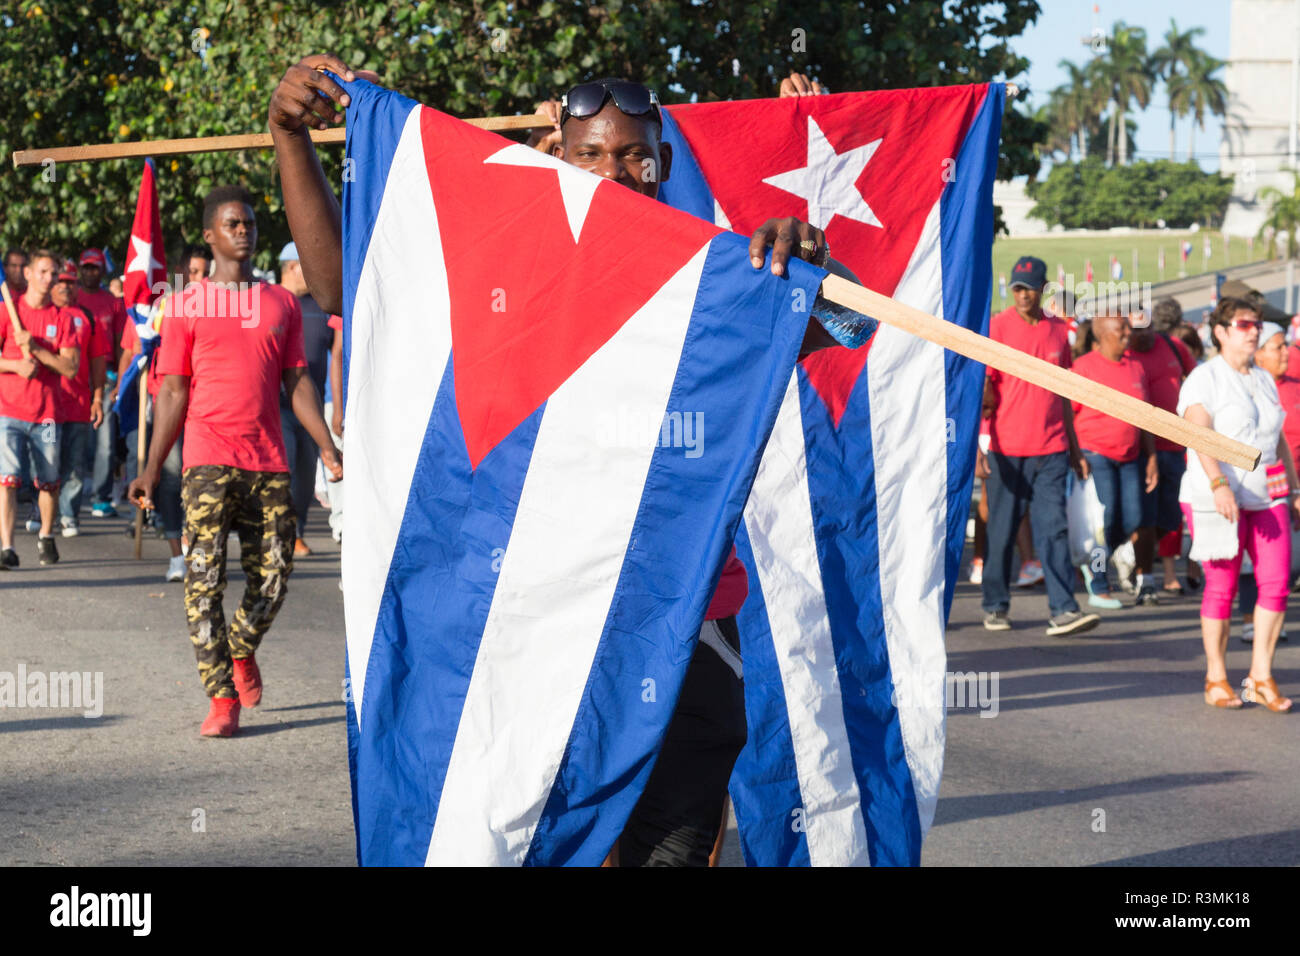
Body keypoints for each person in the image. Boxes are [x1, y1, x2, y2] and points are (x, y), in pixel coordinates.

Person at [269, 58, 853, 866]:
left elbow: (847, 327)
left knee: (672, 855)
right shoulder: (512, 272)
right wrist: (290, 140)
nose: (615, 175)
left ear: (665, 163)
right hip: (544, 624)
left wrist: (818, 264)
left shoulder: (712, 278)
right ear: (555, 154)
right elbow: (345, 287)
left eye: (634, 156)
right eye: (590, 156)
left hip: (680, 626)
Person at [127, 185, 342, 738]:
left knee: (273, 576)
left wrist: (323, 442)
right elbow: (172, 391)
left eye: (248, 222)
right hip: (205, 460)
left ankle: (240, 647)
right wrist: (151, 468)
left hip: (268, 460)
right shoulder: (184, 303)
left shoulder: (280, 302)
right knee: (202, 582)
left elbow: (297, 380)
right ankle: (222, 699)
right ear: (209, 236)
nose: (243, 230)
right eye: (231, 223)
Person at [1179, 298, 1300, 711]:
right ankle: (1216, 676)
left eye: (1257, 324)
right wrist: (1217, 484)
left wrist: (1296, 489)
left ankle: (1261, 675)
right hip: (1217, 492)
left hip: (1267, 493)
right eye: (1245, 324)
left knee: (1277, 582)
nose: (1253, 331)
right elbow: (1198, 435)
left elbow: (1278, 436)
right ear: (1221, 332)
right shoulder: (1204, 378)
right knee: (1222, 585)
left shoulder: (1263, 379)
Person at [980, 255, 1099, 636]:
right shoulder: (997, 328)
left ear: (1043, 290)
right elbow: (982, 390)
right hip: (1006, 449)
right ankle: (995, 605)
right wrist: (979, 446)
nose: (1022, 295)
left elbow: (1064, 395)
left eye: (1029, 289)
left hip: (1052, 448)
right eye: (1017, 288)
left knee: (1054, 529)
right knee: (1001, 531)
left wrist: (1076, 449)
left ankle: (1063, 609)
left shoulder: (1055, 332)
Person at [1071, 311, 1157, 608]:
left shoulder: (1135, 366)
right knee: (1103, 523)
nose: (1127, 334)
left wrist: (1152, 456)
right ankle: (1097, 582)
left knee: (1133, 518)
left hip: (1131, 455)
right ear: (1102, 334)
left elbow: (1145, 416)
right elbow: (1069, 415)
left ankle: (1111, 556)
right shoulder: (1083, 368)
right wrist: (1076, 454)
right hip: (1096, 452)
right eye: (1120, 330)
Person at [0, 250, 80, 567]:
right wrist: (14, 365)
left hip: (47, 415)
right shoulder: (8, 311)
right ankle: (7, 546)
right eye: (43, 272)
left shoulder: (61, 319)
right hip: (8, 411)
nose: (50, 279)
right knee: (6, 480)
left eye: (54, 273)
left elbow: (70, 367)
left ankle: (46, 535)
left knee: (48, 479)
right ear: (29, 274)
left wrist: (36, 350)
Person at [1126, 297, 1196, 601]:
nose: (1142, 334)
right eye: (1135, 329)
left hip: (1176, 445)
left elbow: (1195, 380)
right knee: (1143, 514)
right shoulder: (1124, 354)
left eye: (1147, 328)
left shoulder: (1173, 347)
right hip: (1141, 449)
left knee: (1170, 516)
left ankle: (1146, 561)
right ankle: (1142, 568)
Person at [118, 288, 186, 582]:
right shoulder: (156, 311)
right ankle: (175, 552)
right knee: (163, 474)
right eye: (191, 272)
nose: (197, 278)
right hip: (161, 405)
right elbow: (131, 352)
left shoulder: (212, 309)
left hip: (203, 410)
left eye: (202, 271)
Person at [276, 241, 335, 556]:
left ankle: (295, 532)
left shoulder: (320, 306)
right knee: (284, 466)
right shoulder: (269, 301)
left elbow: (336, 352)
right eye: (307, 266)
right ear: (292, 267)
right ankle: (275, 530)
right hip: (276, 404)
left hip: (311, 404)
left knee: (304, 472)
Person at [51, 259, 111, 537]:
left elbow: (98, 361)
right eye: (60, 281)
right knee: (48, 462)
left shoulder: (87, 317)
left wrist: (97, 397)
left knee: (75, 465)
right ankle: (43, 511)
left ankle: (68, 515)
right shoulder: (42, 314)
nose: (65, 287)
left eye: (70, 282)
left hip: (77, 405)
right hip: (46, 407)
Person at [78, 248, 131, 520]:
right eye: (86, 267)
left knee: (105, 442)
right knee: (72, 439)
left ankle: (101, 497)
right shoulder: (70, 296)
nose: (90, 272)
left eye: (95, 267)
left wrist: (120, 380)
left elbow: (122, 345)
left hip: (106, 376)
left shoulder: (113, 302)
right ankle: (64, 494)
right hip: (73, 376)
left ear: (102, 270)